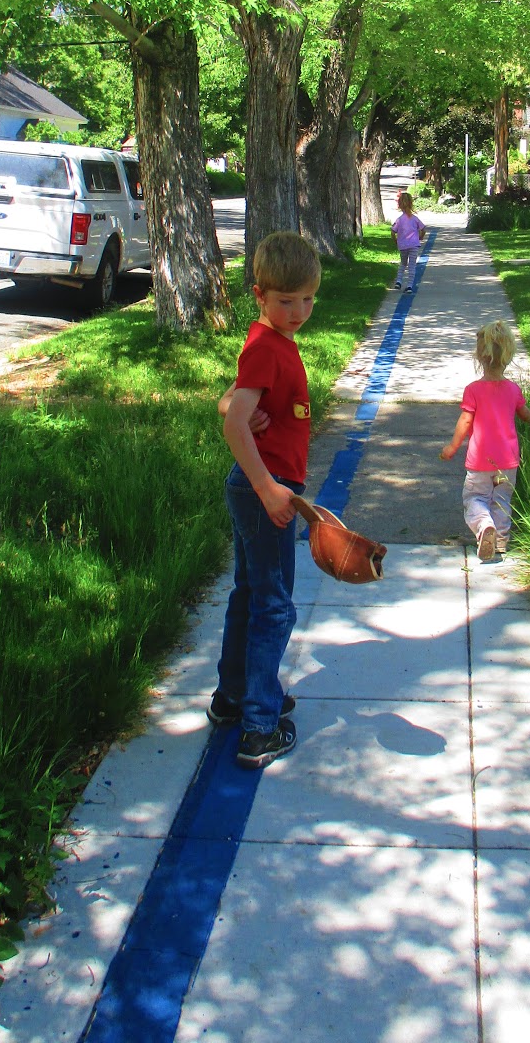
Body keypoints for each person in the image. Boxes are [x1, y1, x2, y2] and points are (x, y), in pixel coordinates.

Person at [211, 231, 321, 769]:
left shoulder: (270, 341)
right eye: (286, 301)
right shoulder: (265, 346)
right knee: (275, 605)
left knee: (250, 594)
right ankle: (259, 726)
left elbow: (235, 402)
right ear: (259, 295)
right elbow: (234, 424)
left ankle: (234, 696)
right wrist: (269, 489)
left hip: (262, 484)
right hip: (265, 487)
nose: (298, 312)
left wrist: (232, 404)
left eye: (308, 299)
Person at [439, 319, 530, 562]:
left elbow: (465, 421)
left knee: (475, 498)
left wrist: (452, 447)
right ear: (508, 356)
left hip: (481, 460)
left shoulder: (473, 390)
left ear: (480, 357)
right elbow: (526, 415)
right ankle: (500, 542)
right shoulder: (513, 389)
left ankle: (484, 527)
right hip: (508, 461)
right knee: (501, 500)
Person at [389, 190, 427, 292]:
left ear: (400, 205)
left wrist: (396, 241)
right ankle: (409, 285)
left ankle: (399, 281)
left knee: (403, 263)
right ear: (411, 203)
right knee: (412, 266)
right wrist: (420, 237)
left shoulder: (399, 220)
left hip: (403, 245)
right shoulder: (415, 219)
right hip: (414, 245)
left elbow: (392, 232)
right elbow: (423, 229)